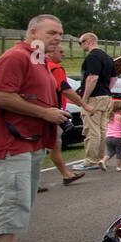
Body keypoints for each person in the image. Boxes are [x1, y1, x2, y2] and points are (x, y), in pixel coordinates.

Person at [0, 14, 72, 242]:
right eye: (51, 33)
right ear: (33, 33)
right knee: (9, 196)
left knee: (21, 198)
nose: (57, 38)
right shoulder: (16, 57)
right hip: (11, 142)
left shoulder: (39, 62)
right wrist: (44, 114)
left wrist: (51, 112)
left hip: (31, 142)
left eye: (60, 33)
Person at [41, 43, 88, 188]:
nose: (64, 54)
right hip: (51, 111)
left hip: (41, 110)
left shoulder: (39, 66)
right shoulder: (54, 68)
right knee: (52, 144)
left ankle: (65, 174)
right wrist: (84, 104)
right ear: (49, 53)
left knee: (49, 145)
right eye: (60, 51)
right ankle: (65, 175)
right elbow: (65, 89)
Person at [77, 31, 117, 170]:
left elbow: (92, 77)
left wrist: (85, 97)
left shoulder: (93, 57)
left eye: (81, 42)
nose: (81, 45)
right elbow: (114, 78)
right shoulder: (107, 57)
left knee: (91, 129)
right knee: (101, 128)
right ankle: (100, 157)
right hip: (105, 95)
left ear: (88, 41)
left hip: (94, 96)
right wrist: (107, 89)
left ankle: (91, 159)